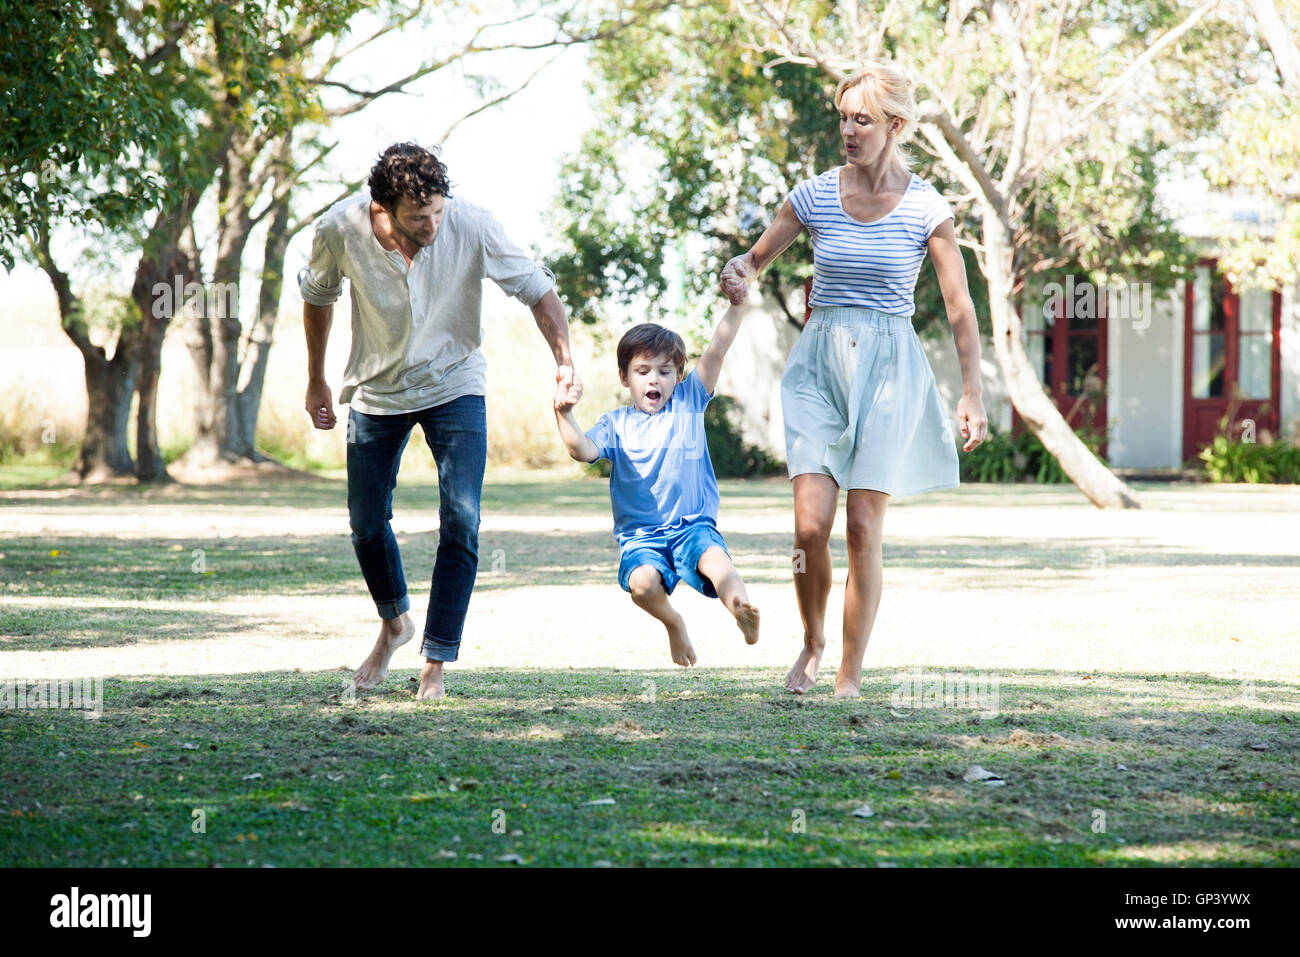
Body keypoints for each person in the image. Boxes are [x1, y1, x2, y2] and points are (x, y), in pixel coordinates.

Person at [719, 62, 988, 698]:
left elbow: (959, 306)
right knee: (809, 527)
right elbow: (752, 261)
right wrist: (738, 272)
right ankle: (811, 642)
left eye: (861, 119)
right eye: (843, 116)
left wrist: (972, 391)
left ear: (894, 125)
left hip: (890, 369)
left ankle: (848, 671)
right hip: (820, 366)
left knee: (863, 526)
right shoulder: (814, 195)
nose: (847, 128)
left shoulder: (926, 207)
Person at [298, 142, 581, 700]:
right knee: (366, 523)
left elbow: (537, 289)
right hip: (379, 390)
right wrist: (316, 377)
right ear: (383, 209)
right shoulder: (340, 228)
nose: (431, 224)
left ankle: (435, 660)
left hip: (455, 382)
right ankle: (395, 623)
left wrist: (566, 362)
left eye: (437, 212)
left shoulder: (470, 223)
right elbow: (318, 294)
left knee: (461, 518)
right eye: (417, 217)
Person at [553, 285, 761, 666]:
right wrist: (564, 413)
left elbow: (716, 349)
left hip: (692, 525)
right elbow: (580, 450)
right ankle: (675, 624)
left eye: (665, 372)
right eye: (643, 371)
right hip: (641, 537)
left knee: (718, 563)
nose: (655, 380)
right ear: (624, 376)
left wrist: (737, 305)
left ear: (678, 375)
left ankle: (740, 608)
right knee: (643, 585)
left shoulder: (690, 400)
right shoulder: (615, 425)